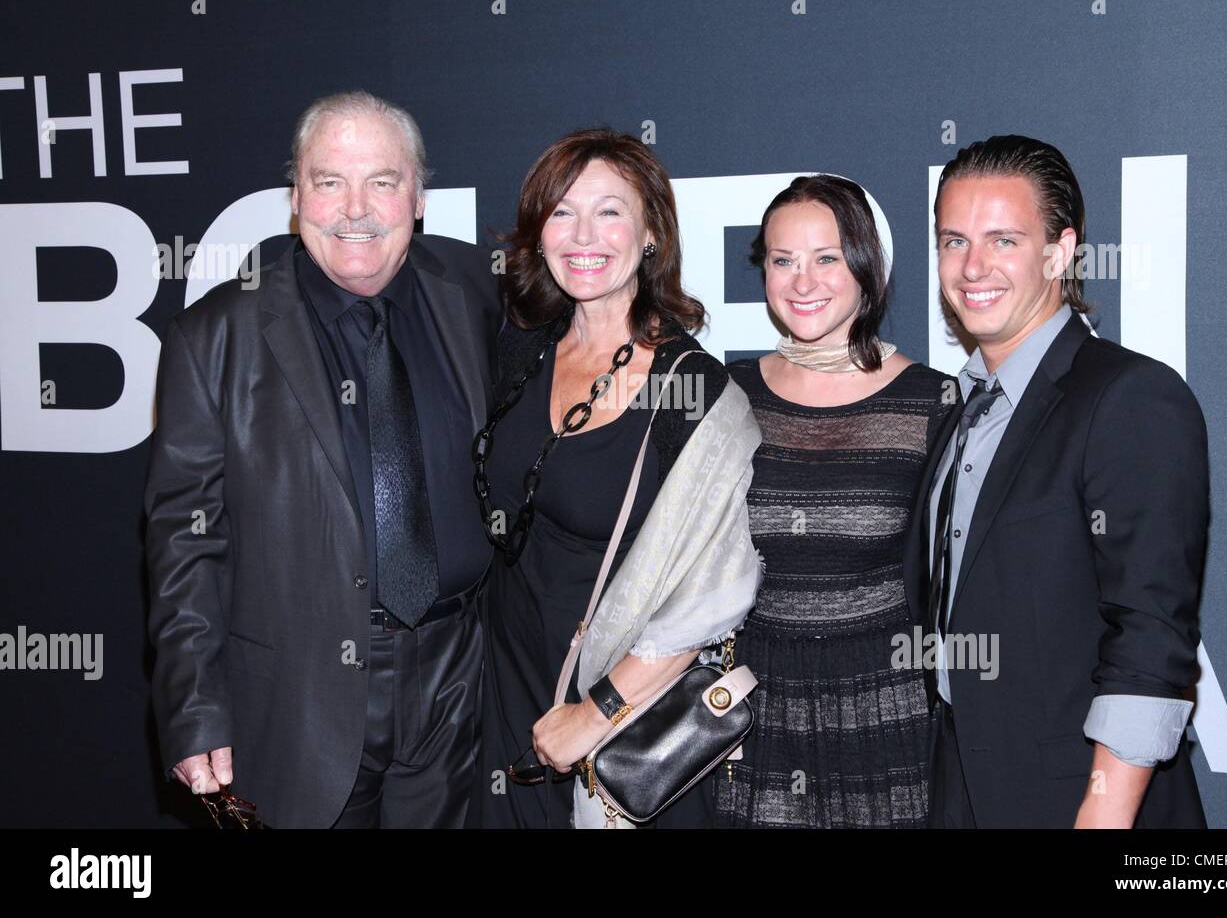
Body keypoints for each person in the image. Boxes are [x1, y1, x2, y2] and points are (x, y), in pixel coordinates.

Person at [145, 91, 500, 827]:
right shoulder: (212, 337)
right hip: (301, 688)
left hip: (457, 673)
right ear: (295, 194)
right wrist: (194, 707)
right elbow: (185, 541)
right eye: (329, 180)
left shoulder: (472, 290)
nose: (354, 209)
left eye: (382, 180)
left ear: (419, 195)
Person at [907, 134, 1208, 828]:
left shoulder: (1130, 398)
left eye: (1003, 240)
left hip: (1084, 801)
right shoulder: (960, 410)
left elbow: (1150, 635)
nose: (973, 266)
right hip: (965, 789)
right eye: (953, 241)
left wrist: (1101, 816)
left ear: (1060, 251)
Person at [468, 127, 762, 829]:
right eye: (561, 212)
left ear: (651, 231)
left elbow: (714, 590)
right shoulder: (520, 348)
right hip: (507, 698)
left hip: (622, 720)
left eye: (609, 211)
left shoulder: (693, 391)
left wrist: (594, 713)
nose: (582, 234)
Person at [713, 175, 951, 827]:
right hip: (753, 707)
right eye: (783, 260)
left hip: (887, 703)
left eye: (826, 258)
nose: (802, 281)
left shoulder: (934, 401)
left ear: (866, 266)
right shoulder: (727, 396)